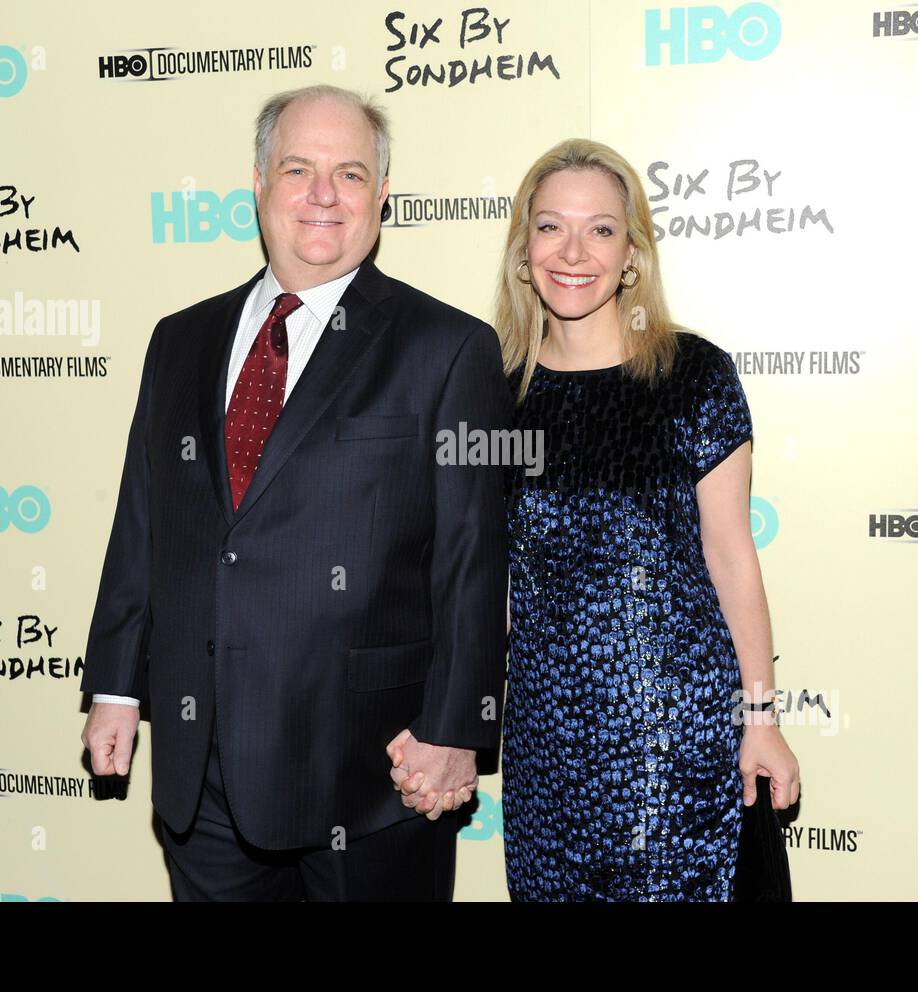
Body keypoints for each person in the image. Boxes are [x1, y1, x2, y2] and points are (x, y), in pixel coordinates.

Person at [78, 84, 510, 901]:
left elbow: (472, 562)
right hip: (201, 773)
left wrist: (456, 729)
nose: (323, 195)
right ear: (258, 182)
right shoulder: (180, 339)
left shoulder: (448, 348)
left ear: (382, 194)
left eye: (350, 174)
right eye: (298, 169)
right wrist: (117, 686)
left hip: (376, 772)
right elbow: (143, 525)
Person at [489, 137, 799, 900]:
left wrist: (760, 719)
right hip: (545, 748)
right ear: (524, 250)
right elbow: (490, 582)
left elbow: (731, 556)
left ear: (631, 255)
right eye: (551, 226)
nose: (573, 252)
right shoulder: (493, 393)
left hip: (679, 742)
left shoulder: (692, 375)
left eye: (600, 229)